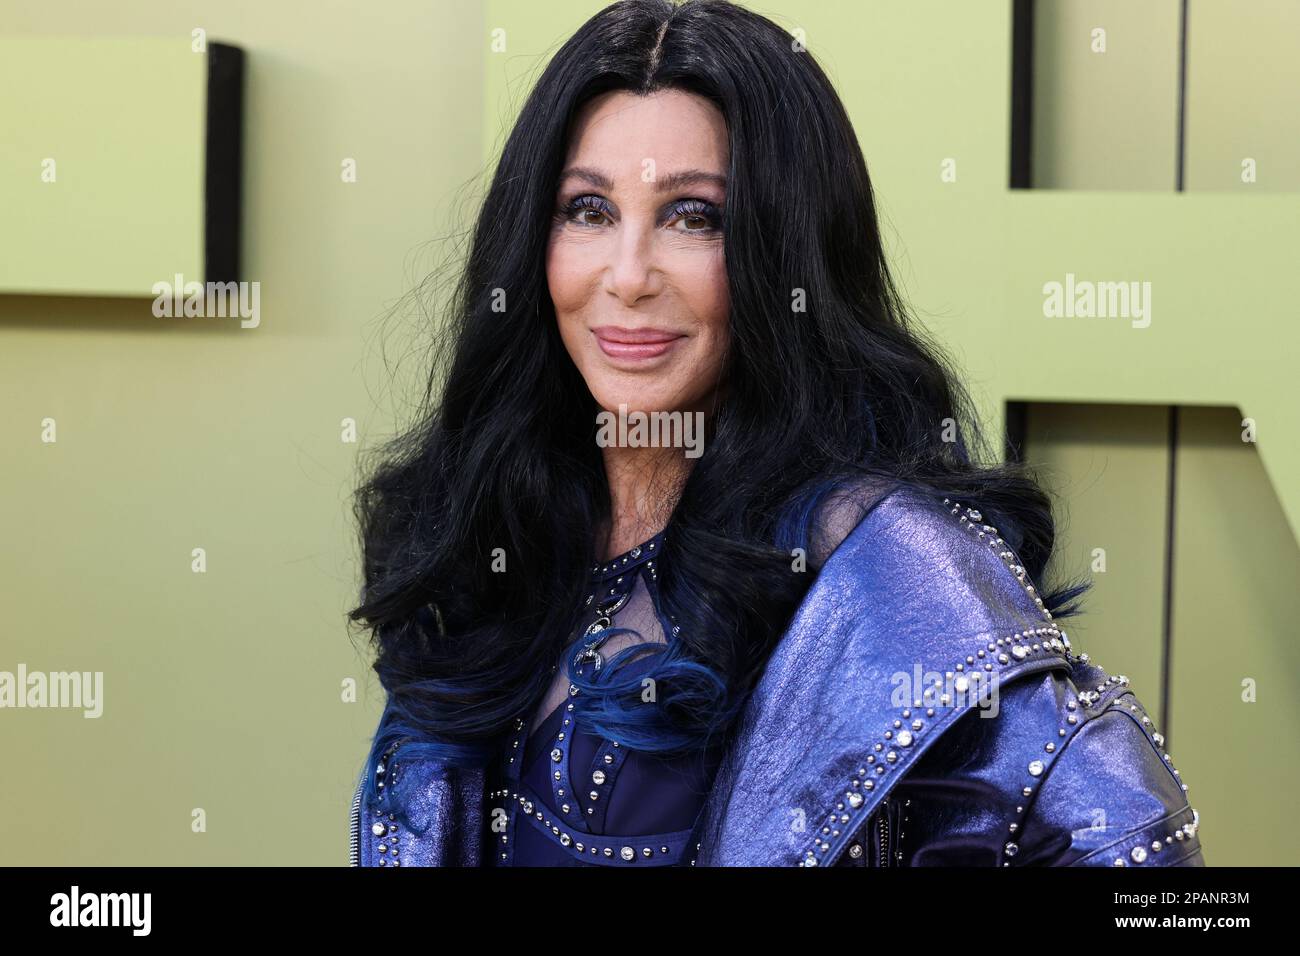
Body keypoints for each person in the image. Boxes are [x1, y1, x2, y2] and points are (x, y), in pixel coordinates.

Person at [347, 0, 1204, 867]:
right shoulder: (502, 526)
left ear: (785, 250)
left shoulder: (886, 556)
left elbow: (1137, 849)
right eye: (588, 210)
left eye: (694, 216)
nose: (629, 275)